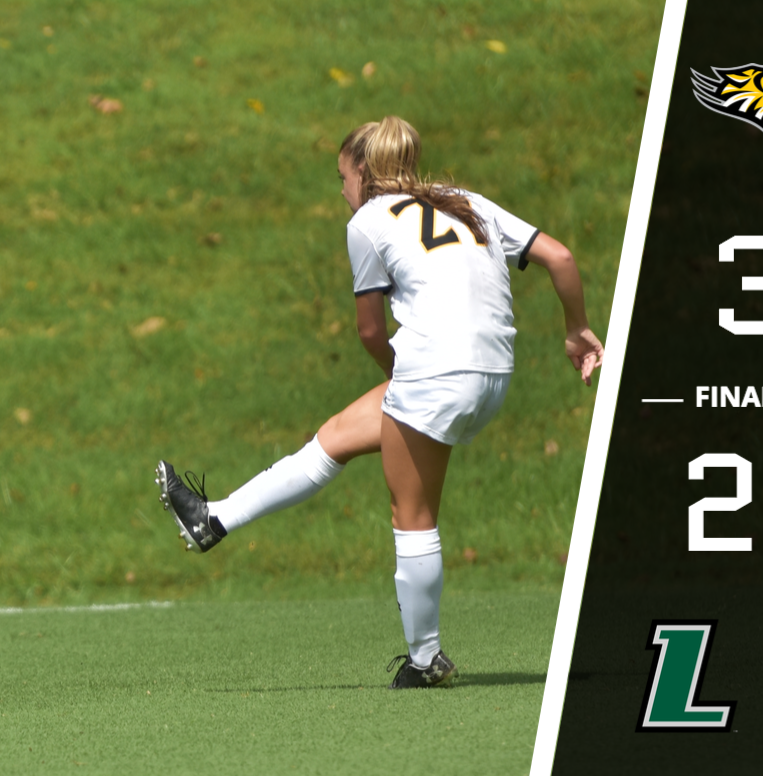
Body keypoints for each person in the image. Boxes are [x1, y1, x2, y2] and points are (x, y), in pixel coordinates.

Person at [157, 115, 602, 688]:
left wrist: (408, 383)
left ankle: (425, 661)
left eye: (341, 175)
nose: (340, 189)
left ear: (363, 172)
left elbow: (370, 334)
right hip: (492, 371)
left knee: (412, 518)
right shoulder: (466, 200)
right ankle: (213, 518)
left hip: (437, 373)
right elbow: (561, 258)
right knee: (335, 437)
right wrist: (576, 331)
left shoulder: (368, 221)